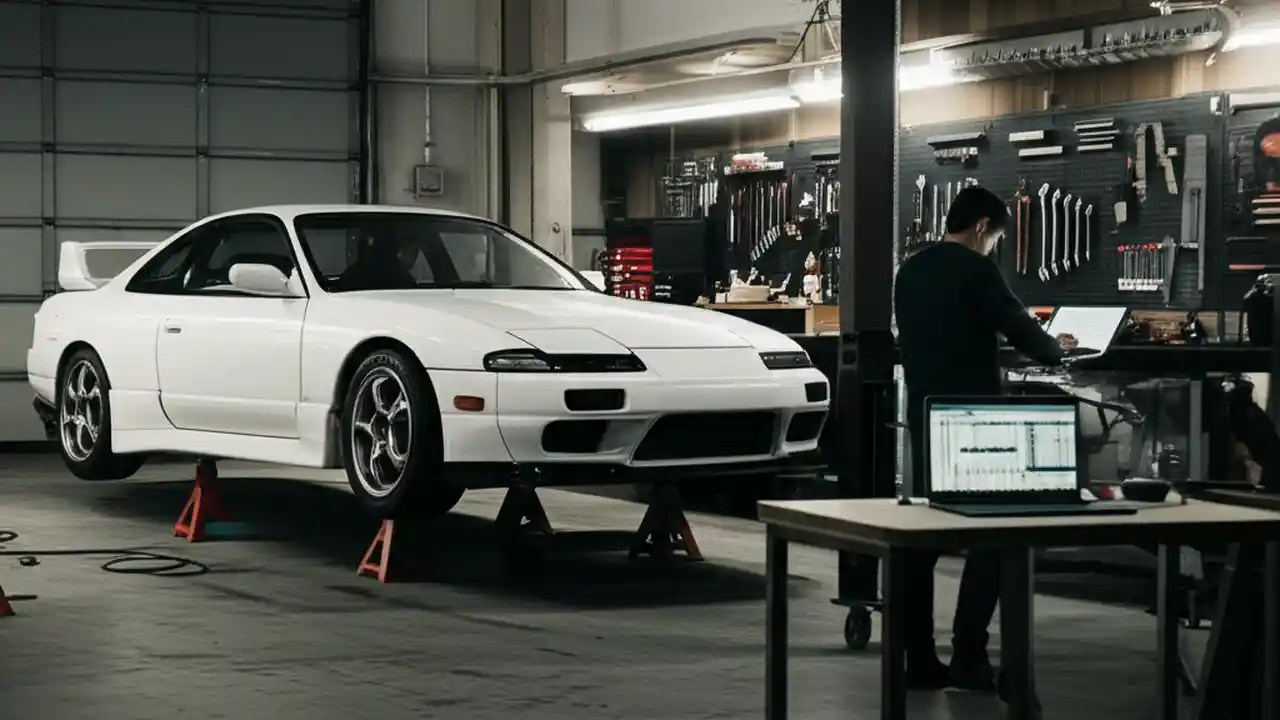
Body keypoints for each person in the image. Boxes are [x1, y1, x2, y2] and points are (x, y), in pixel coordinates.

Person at [893, 186, 1077, 692]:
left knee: (924, 541)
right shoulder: (976, 269)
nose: (994, 245)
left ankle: (919, 660)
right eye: (996, 236)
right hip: (975, 423)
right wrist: (1053, 348)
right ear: (981, 228)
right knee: (993, 539)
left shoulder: (910, 270)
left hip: (925, 417)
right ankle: (970, 656)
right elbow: (1020, 328)